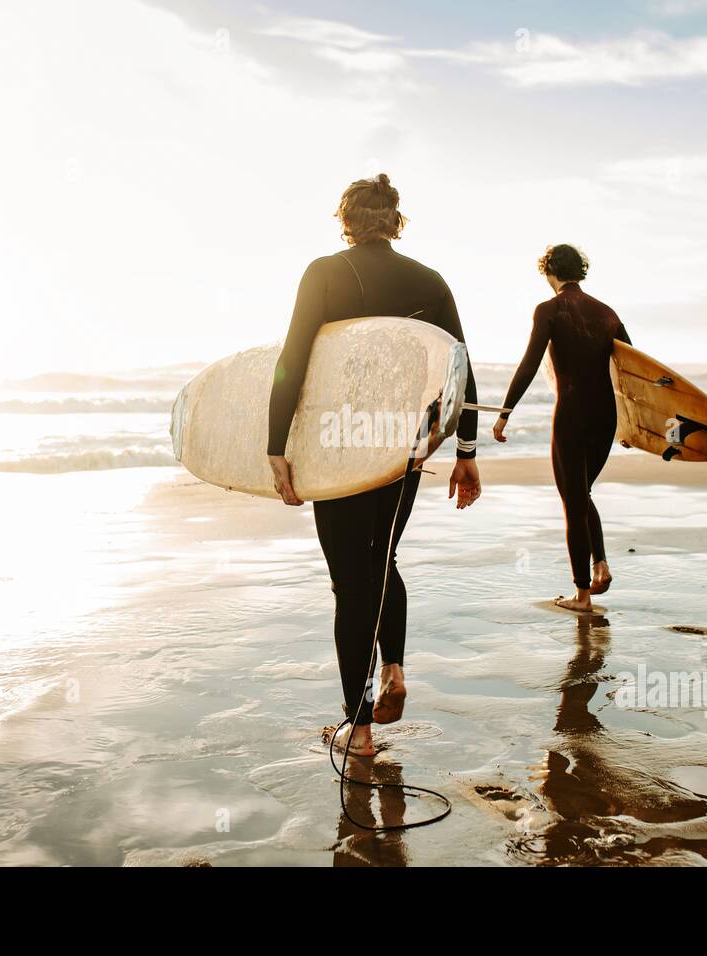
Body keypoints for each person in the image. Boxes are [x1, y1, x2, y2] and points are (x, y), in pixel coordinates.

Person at [267, 173, 482, 757]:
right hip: (401, 446)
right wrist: (465, 453)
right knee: (382, 559)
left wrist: (276, 445)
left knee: (348, 582)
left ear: (346, 220)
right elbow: (459, 369)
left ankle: (359, 728)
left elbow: (292, 361)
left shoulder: (324, 273)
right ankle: (395, 669)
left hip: (338, 446)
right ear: (395, 221)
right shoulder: (430, 281)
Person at [493, 244, 630, 612]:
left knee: (573, 500)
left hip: (571, 412)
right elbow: (632, 372)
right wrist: (635, 427)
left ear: (549, 271)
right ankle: (599, 565)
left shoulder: (549, 310)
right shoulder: (607, 313)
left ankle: (582, 595)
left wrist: (505, 411)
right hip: (605, 416)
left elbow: (529, 363)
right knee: (581, 491)